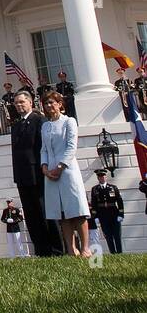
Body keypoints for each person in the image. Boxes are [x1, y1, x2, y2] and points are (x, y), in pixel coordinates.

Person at [39, 92, 89, 257]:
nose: (48, 106)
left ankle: (85, 249)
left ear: (60, 104)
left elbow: (71, 146)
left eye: (52, 102)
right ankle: (70, 249)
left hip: (67, 171)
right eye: (46, 103)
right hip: (50, 173)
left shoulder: (69, 121)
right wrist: (45, 168)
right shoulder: (45, 126)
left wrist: (60, 167)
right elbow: (44, 149)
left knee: (76, 209)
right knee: (61, 213)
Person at [8, 90, 56, 257]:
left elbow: (43, 147)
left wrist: (45, 167)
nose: (19, 105)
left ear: (30, 103)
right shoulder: (16, 125)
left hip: (37, 173)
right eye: (16, 103)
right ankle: (41, 250)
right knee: (31, 215)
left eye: (22, 102)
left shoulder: (39, 120)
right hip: (22, 176)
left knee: (44, 212)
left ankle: (55, 249)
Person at [88, 168, 124, 254]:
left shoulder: (113, 187)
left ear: (106, 177)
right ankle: (112, 252)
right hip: (103, 215)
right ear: (98, 178)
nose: (101, 178)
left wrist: (121, 214)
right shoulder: (95, 189)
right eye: (99, 176)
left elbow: (119, 201)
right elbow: (94, 203)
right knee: (108, 235)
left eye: (103, 176)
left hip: (114, 213)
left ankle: (119, 253)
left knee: (117, 235)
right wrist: (95, 216)